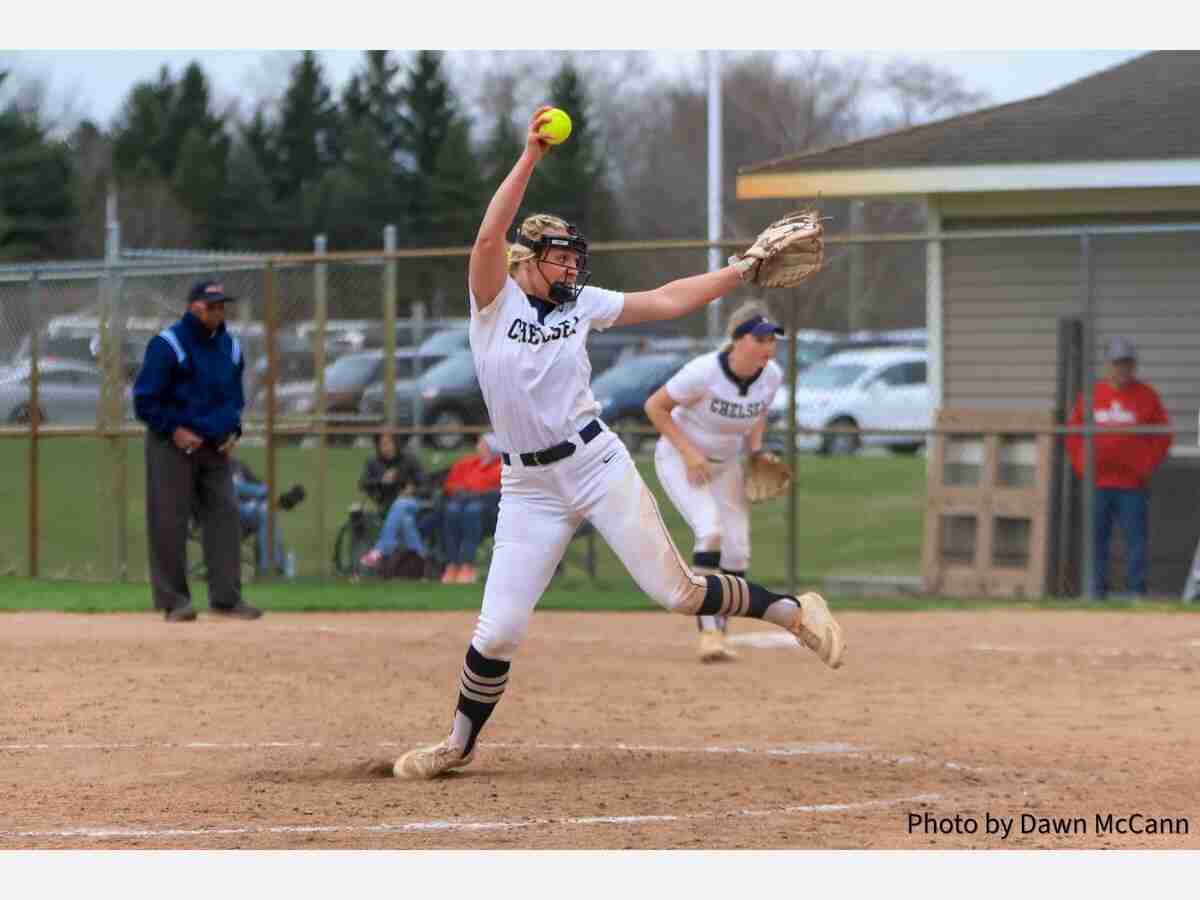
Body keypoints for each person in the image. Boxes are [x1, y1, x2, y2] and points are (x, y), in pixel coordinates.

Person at [393, 106, 844, 781]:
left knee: (681, 594)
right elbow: (489, 234)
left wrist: (741, 270)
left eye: (577, 257)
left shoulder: (580, 305)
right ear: (529, 259)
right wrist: (529, 158)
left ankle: (791, 611)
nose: (573, 266)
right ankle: (457, 744)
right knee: (499, 631)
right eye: (561, 257)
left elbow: (665, 300)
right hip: (527, 487)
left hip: (594, 462)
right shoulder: (494, 303)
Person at [645, 300, 783, 663]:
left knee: (737, 550)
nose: (768, 347)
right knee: (711, 532)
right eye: (760, 339)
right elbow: (655, 407)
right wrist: (689, 452)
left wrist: (756, 453)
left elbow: (759, 413)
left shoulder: (771, 376)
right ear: (738, 339)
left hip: (726, 465)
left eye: (772, 340)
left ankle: (721, 630)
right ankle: (708, 633)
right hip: (681, 460)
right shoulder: (703, 372)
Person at [132, 279, 263, 621]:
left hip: (215, 446)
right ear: (195, 307)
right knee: (169, 521)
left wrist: (234, 428)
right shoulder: (168, 344)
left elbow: (234, 397)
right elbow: (144, 400)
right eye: (213, 305)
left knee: (225, 516)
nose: (220, 311)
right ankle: (174, 601)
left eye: (222, 305)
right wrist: (174, 429)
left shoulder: (230, 347)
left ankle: (226, 598)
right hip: (172, 444)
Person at [1066, 336, 1171, 598]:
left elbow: (1163, 434)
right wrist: (1083, 467)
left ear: (1133, 365)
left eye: (1127, 363)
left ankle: (1136, 592)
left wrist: (1147, 464)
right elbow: (1073, 435)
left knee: (1135, 541)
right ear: (1108, 365)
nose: (1122, 368)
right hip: (1097, 484)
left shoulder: (1147, 396)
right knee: (1095, 541)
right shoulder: (1090, 396)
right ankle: (1096, 593)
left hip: (1132, 485)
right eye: (1117, 363)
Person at [358, 432, 431, 571]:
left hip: (414, 504)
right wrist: (382, 481)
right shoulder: (374, 463)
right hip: (388, 507)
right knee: (405, 521)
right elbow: (363, 484)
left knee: (402, 503)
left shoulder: (409, 460)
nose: (386, 448)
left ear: (396, 444)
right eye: (382, 445)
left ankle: (379, 550)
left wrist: (413, 489)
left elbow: (426, 484)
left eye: (389, 443)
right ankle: (422, 558)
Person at [439, 433, 503, 584]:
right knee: (451, 510)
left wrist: (475, 493)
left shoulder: (501, 467)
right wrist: (461, 491)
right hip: (461, 503)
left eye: (483, 444)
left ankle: (467, 565)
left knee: (472, 511)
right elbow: (450, 485)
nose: (478, 447)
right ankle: (452, 564)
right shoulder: (466, 464)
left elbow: (498, 492)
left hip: (488, 510)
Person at [230, 456, 304, 577]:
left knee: (267, 514)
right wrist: (263, 492)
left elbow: (256, 483)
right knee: (265, 511)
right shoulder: (210, 466)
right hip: (223, 516)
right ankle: (274, 567)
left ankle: (274, 567)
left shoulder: (237, 464)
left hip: (247, 516)